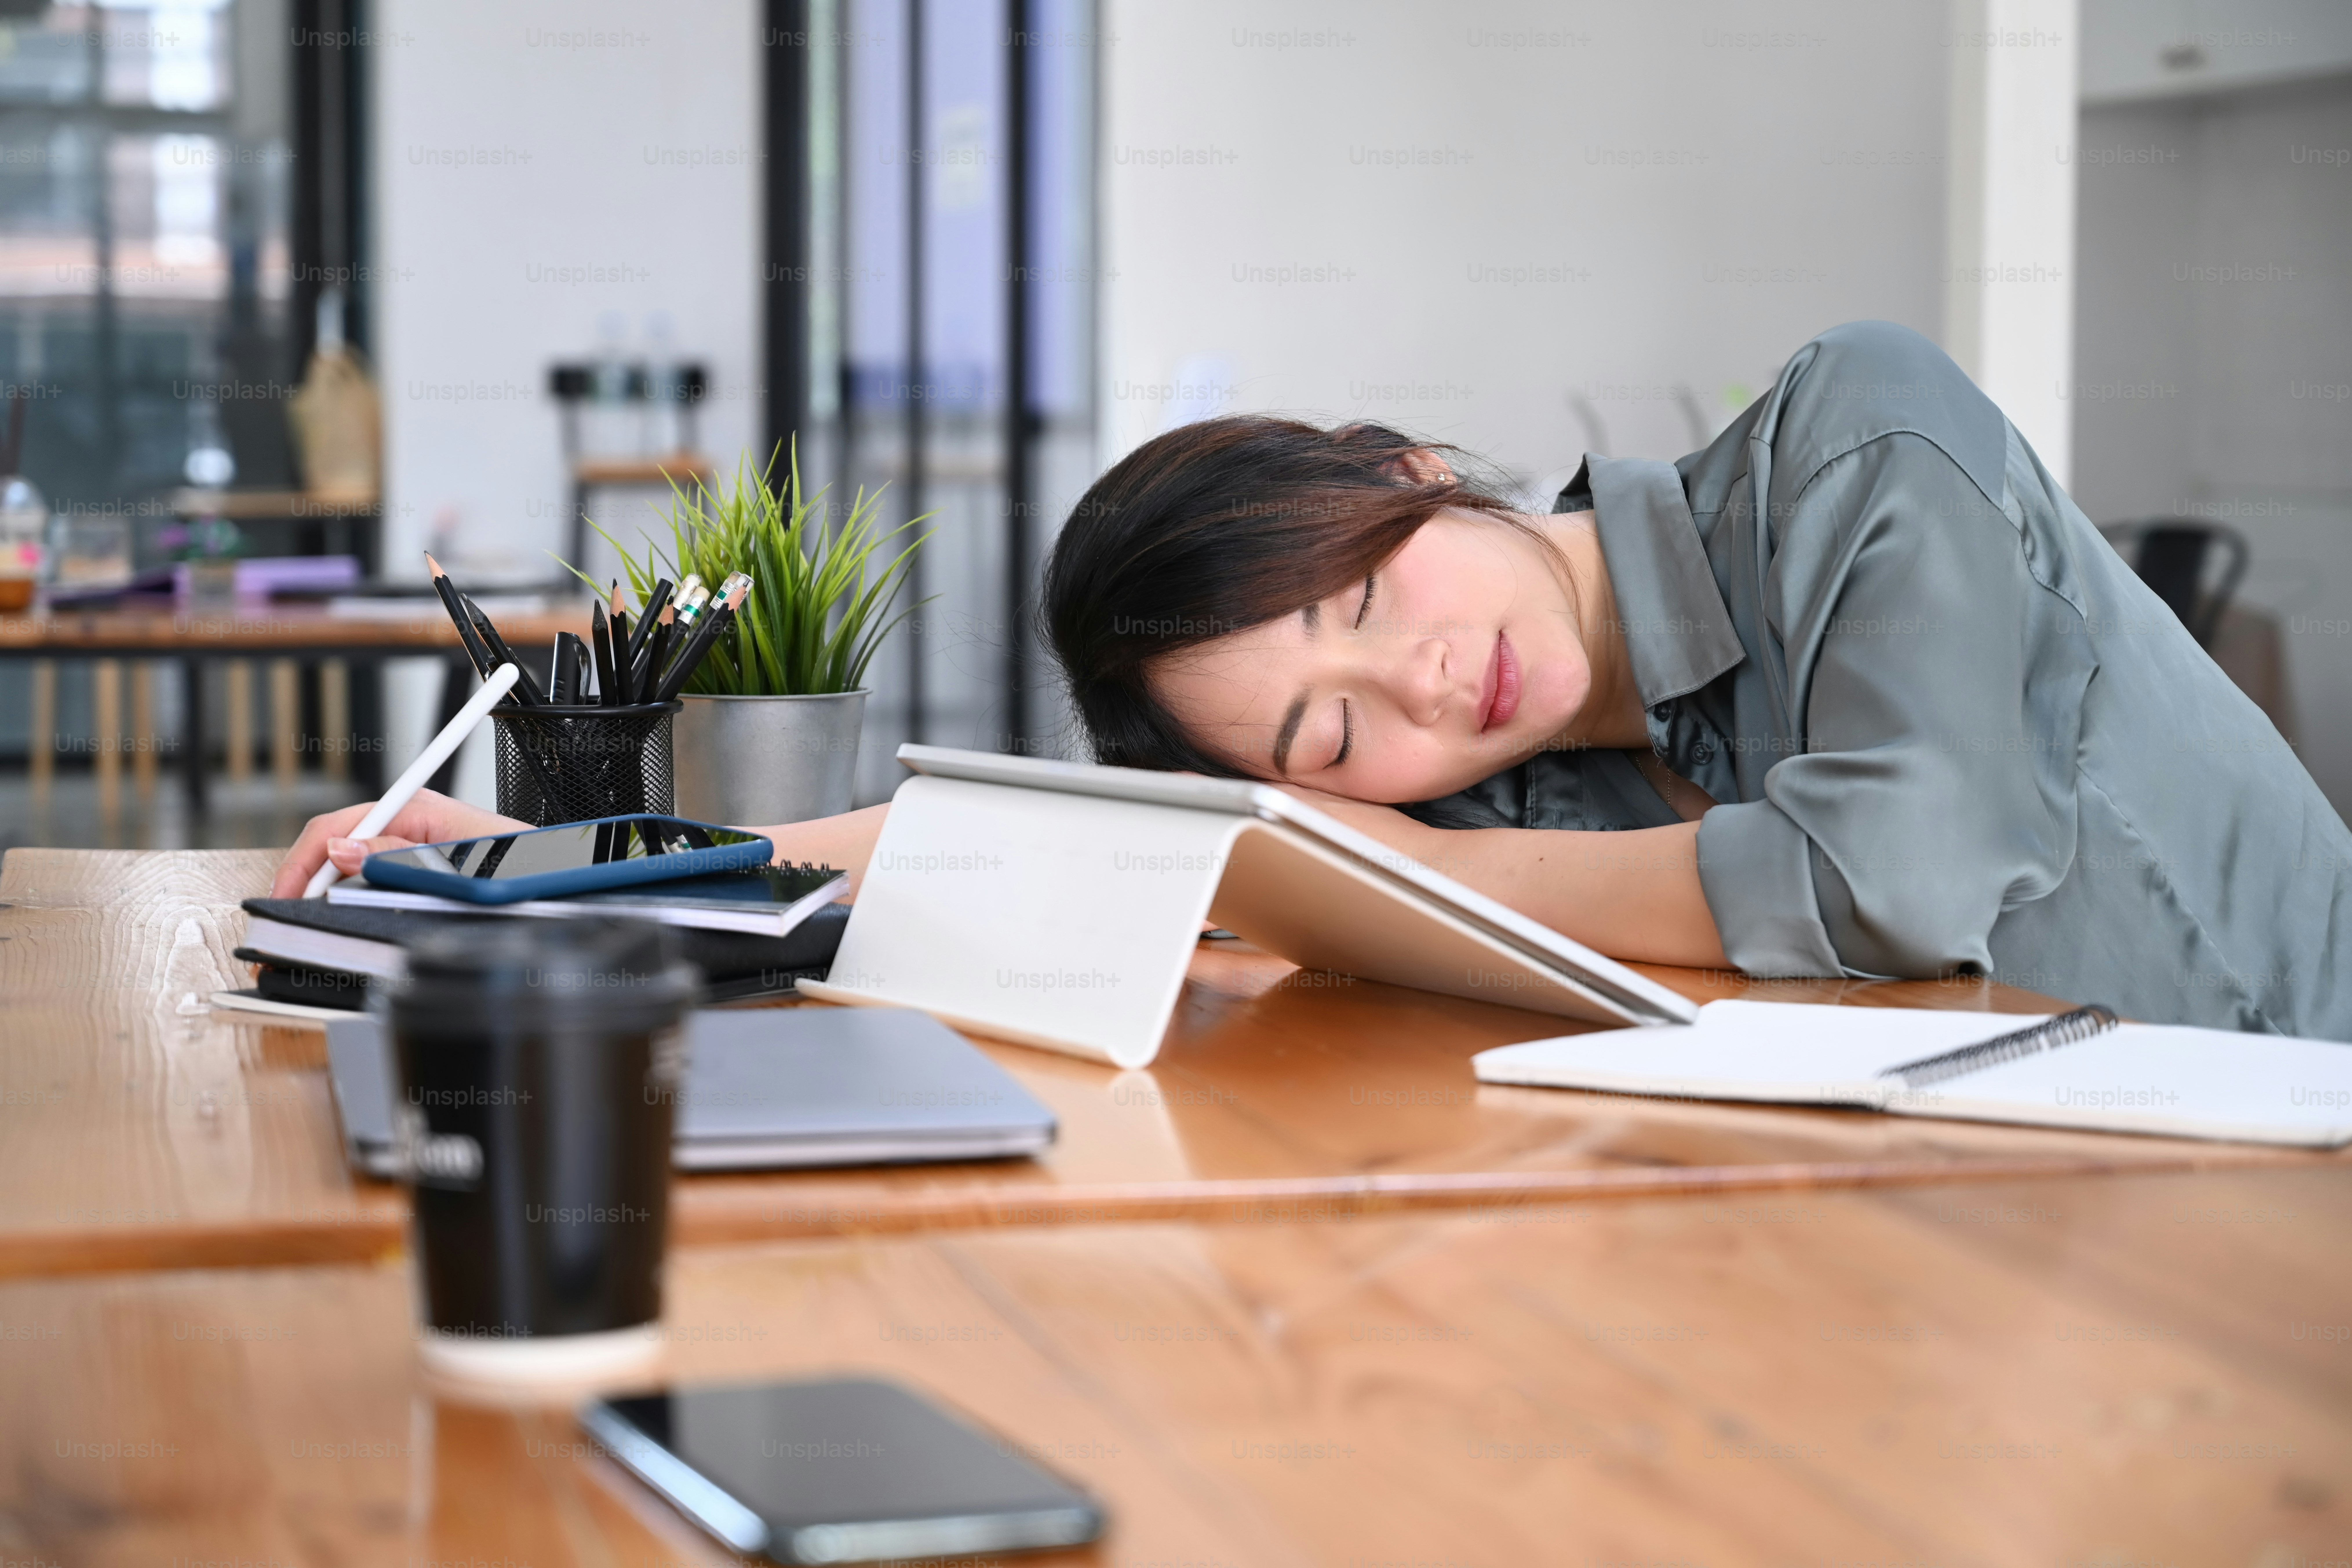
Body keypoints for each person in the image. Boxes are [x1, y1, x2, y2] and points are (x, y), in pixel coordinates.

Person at [276, 321, 2352, 1039]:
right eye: (1329, 730)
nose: (1426, 683)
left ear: (1404, 468)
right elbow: (1058, 851)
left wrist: (1322, 842)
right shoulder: (1515, 790)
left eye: (1367, 587)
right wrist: (560, 868)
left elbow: (1894, 871)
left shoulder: (1855, 439)